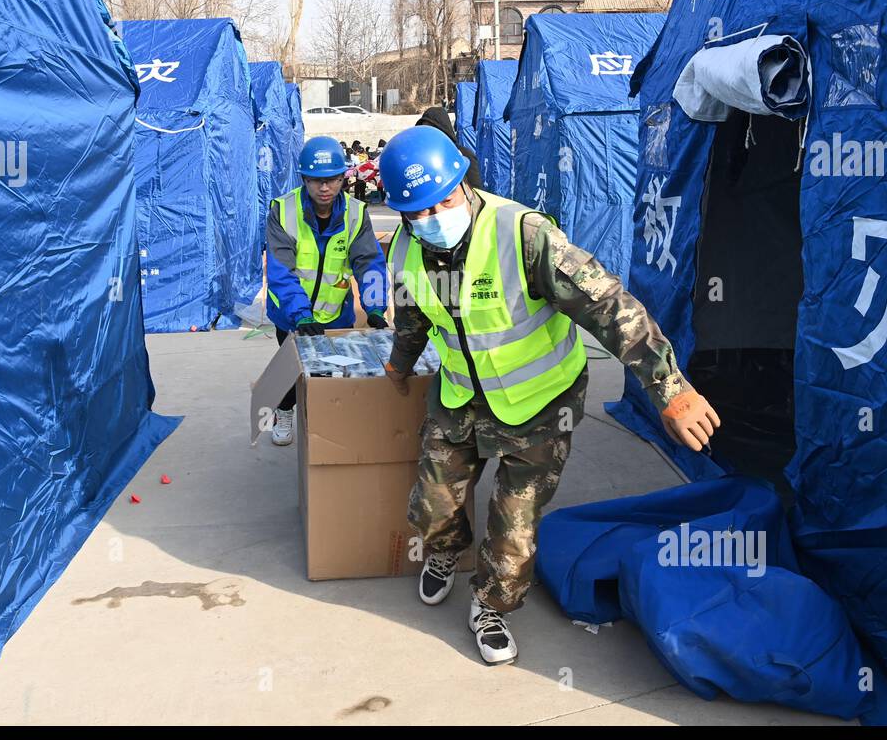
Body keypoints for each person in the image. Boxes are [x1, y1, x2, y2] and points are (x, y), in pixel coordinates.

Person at [379, 126, 719, 664]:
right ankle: (444, 553)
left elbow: (610, 307)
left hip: (540, 404)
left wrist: (668, 387)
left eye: (442, 202)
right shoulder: (404, 250)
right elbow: (414, 316)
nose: (432, 220)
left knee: (514, 525)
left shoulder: (525, 236)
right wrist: (399, 364)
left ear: (464, 185)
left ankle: (491, 604)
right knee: (433, 503)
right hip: (461, 394)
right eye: (417, 212)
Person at [265, 135, 389, 446]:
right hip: (292, 316)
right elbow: (281, 272)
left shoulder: (356, 214)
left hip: (336, 314)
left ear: (342, 178)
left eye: (332, 180)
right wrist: (301, 316)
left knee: (334, 375)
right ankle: (284, 412)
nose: (324, 188)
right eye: (316, 180)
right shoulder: (283, 211)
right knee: (292, 373)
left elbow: (369, 262)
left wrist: (375, 307)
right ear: (304, 179)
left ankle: (326, 430)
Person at [416, 105, 481, 189]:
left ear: (443, 130)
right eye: (425, 131)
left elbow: (477, 189)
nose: (428, 135)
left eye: (433, 130)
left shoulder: (463, 155)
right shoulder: (421, 159)